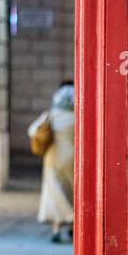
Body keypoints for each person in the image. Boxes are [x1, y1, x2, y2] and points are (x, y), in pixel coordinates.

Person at [29, 81, 74, 242]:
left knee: (55, 193)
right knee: (73, 192)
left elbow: (33, 130)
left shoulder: (51, 115)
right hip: (75, 161)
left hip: (53, 159)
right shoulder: (80, 116)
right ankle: (72, 225)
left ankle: (56, 229)